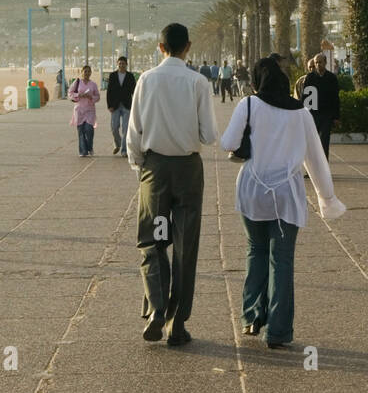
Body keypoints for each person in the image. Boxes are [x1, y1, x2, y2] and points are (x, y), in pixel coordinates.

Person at [221, 57, 345, 348]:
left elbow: (228, 143)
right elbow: (315, 159)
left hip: (253, 190)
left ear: (256, 81)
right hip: (287, 195)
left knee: (256, 250)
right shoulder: (301, 114)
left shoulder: (249, 105)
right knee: (283, 259)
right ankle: (277, 331)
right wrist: (327, 199)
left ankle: (252, 316)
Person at [126, 23, 218, 346]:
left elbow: (133, 132)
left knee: (152, 239)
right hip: (189, 171)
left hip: (155, 169)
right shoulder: (198, 82)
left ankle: (156, 308)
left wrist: (141, 167)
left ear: (160, 47)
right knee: (185, 246)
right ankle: (177, 323)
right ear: (187, 47)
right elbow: (209, 135)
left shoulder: (146, 81)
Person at [300, 53, 342, 159]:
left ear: (325, 63)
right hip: (312, 115)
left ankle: (324, 170)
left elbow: (335, 98)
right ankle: (311, 170)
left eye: (320, 62)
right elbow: (305, 97)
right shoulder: (310, 78)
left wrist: (336, 117)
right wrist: (302, 114)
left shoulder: (331, 78)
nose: (318, 65)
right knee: (311, 143)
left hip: (326, 115)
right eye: (316, 62)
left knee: (324, 142)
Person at [105, 56, 136, 156]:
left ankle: (124, 150)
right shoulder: (113, 75)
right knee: (114, 127)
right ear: (117, 64)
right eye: (120, 64)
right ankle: (118, 143)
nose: (121, 65)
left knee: (126, 128)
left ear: (126, 64)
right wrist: (109, 105)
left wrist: (135, 105)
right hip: (115, 105)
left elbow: (134, 91)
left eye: (123, 64)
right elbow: (109, 91)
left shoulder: (130, 76)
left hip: (127, 105)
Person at [69, 64, 101, 157]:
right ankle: (83, 151)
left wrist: (91, 97)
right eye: (85, 71)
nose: (86, 73)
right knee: (81, 131)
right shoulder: (77, 82)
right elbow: (70, 93)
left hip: (90, 110)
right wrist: (78, 95)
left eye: (88, 71)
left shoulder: (93, 84)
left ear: (91, 73)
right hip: (79, 110)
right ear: (81, 72)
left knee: (89, 129)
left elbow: (98, 96)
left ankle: (90, 147)